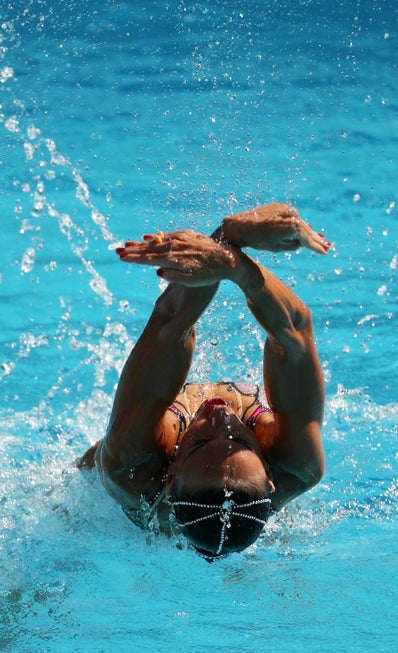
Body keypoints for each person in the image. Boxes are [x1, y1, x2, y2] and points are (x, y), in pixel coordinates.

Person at [78, 203, 329, 560]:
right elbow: (295, 332)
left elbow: (170, 325)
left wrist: (224, 243)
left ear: (171, 474)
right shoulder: (297, 464)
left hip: (110, 508)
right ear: (270, 477)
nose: (221, 418)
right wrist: (232, 259)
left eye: (198, 445)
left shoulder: (134, 463)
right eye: (242, 444)